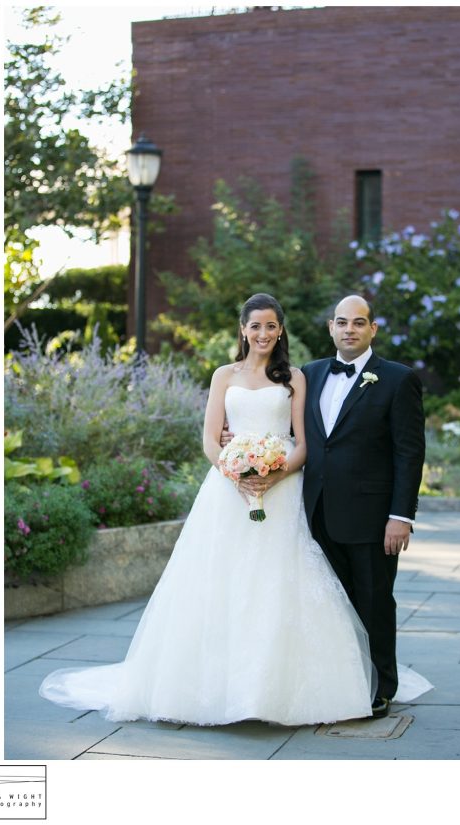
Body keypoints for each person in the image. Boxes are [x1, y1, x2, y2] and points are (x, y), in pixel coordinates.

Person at [39, 293, 381, 726]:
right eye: (255, 326)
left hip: (281, 492)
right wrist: (234, 472)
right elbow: (208, 439)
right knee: (219, 580)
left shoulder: (295, 377)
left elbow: (304, 442)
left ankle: (272, 691)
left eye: (271, 326)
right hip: (227, 492)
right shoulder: (224, 375)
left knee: (276, 581)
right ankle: (216, 688)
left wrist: (274, 476)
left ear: (281, 330)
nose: (263, 334)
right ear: (243, 330)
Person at [301, 295, 427, 718]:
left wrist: (401, 516)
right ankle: (340, 683)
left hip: (373, 518)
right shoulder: (310, 374)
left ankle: (381, 687)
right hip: (317, 512)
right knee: (330, 606)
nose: (349, 329)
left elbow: (408, 452)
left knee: (374, 602)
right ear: (330, 328)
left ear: (373, 329)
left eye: (358, 322)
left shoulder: (398, 379)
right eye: (342, 322)